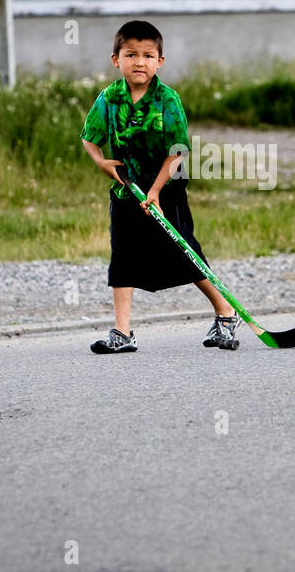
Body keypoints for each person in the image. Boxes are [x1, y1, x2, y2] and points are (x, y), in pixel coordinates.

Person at [79, 20, 241, 353]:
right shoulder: (109, 98)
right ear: (116, 60)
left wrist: (155, 192)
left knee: (182, 252)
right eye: (131, 55)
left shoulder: (167, 100)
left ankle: (225, 312)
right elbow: (89, 137)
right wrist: (101, 161)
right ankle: (122, 333)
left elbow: (178, 150)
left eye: (148, 55)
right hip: (127, 188)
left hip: (167, 187)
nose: (139, 62)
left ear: (159, 61)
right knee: (123, 257)